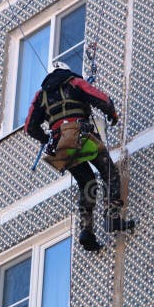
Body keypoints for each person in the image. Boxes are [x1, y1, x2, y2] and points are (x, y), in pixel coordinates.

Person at [25, 61, 136, 251]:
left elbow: (30, 126)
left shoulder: (41, 95)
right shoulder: (73, 82)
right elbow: (99, 98)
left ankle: (87, 231)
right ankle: (112, 216)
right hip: (83, 136)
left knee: (87, 183)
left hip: (62, 147)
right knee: (108, 171)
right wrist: (112, 113)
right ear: (66, 70)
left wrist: (46, 137)